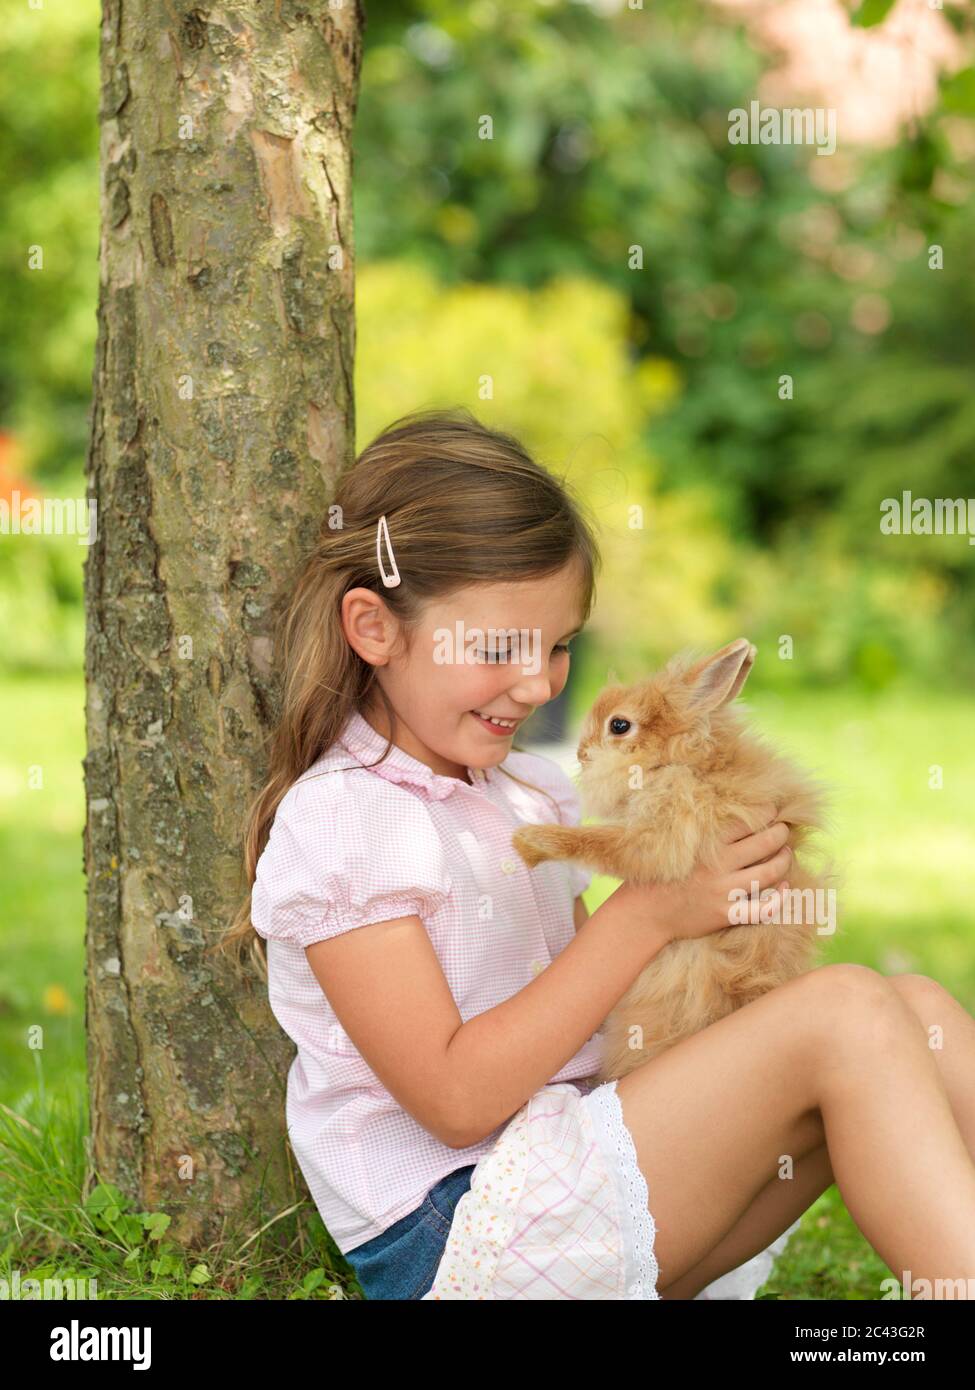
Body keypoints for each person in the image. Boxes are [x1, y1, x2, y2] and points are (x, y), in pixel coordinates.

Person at [218, 406, 975, 1300]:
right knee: (846, 1008)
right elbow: (456, 1104)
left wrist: (721, 886)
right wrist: (652, 908)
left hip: (578, 1164)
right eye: (500, 647)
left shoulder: (527, 791)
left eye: (559, 646)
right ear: (374, 629)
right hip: (461, 1231)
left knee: (913, 1008)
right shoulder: (345, 822)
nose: (537, 684)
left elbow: (599, 1008)